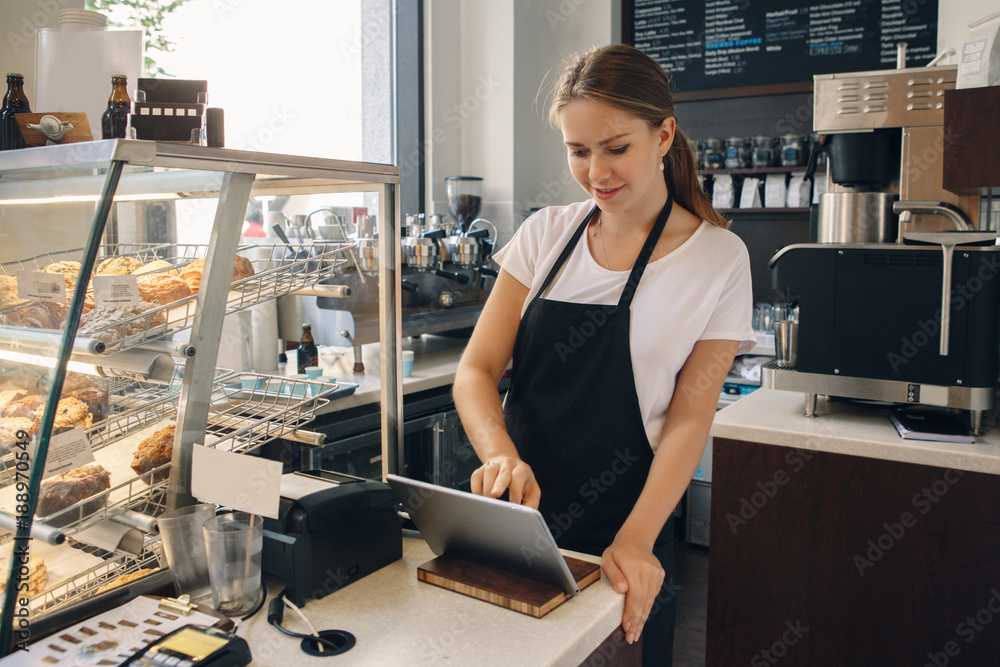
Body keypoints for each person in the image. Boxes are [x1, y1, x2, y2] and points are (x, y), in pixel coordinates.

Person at [452, 43, 755, 665]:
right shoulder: (545, 234)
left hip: (626, 532)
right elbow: (476, 370)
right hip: (517, 527)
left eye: (616, 148)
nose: (597, 172)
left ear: (664, 134)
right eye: (578, 151)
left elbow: (690, 416)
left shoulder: (719, 259)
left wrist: (638, 540)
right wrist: (500, 455)